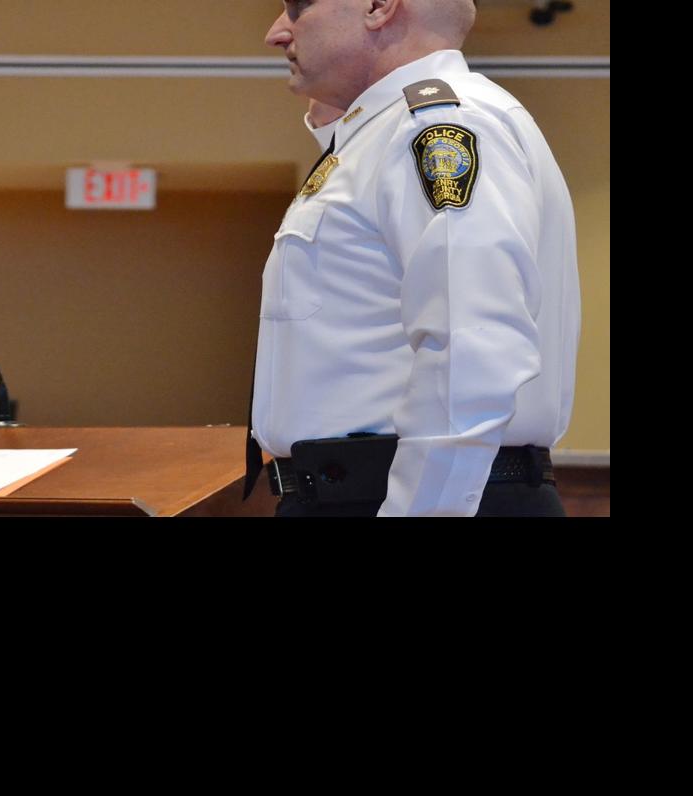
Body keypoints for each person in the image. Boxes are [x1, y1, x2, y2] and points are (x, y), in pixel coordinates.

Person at [245, 0, 582, 517]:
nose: (277, 33)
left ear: (378, 7)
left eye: (298, 6)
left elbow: (472, 347)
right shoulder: (384, 130)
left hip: (426, 497)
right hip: (377, 491)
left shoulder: (438, 125)